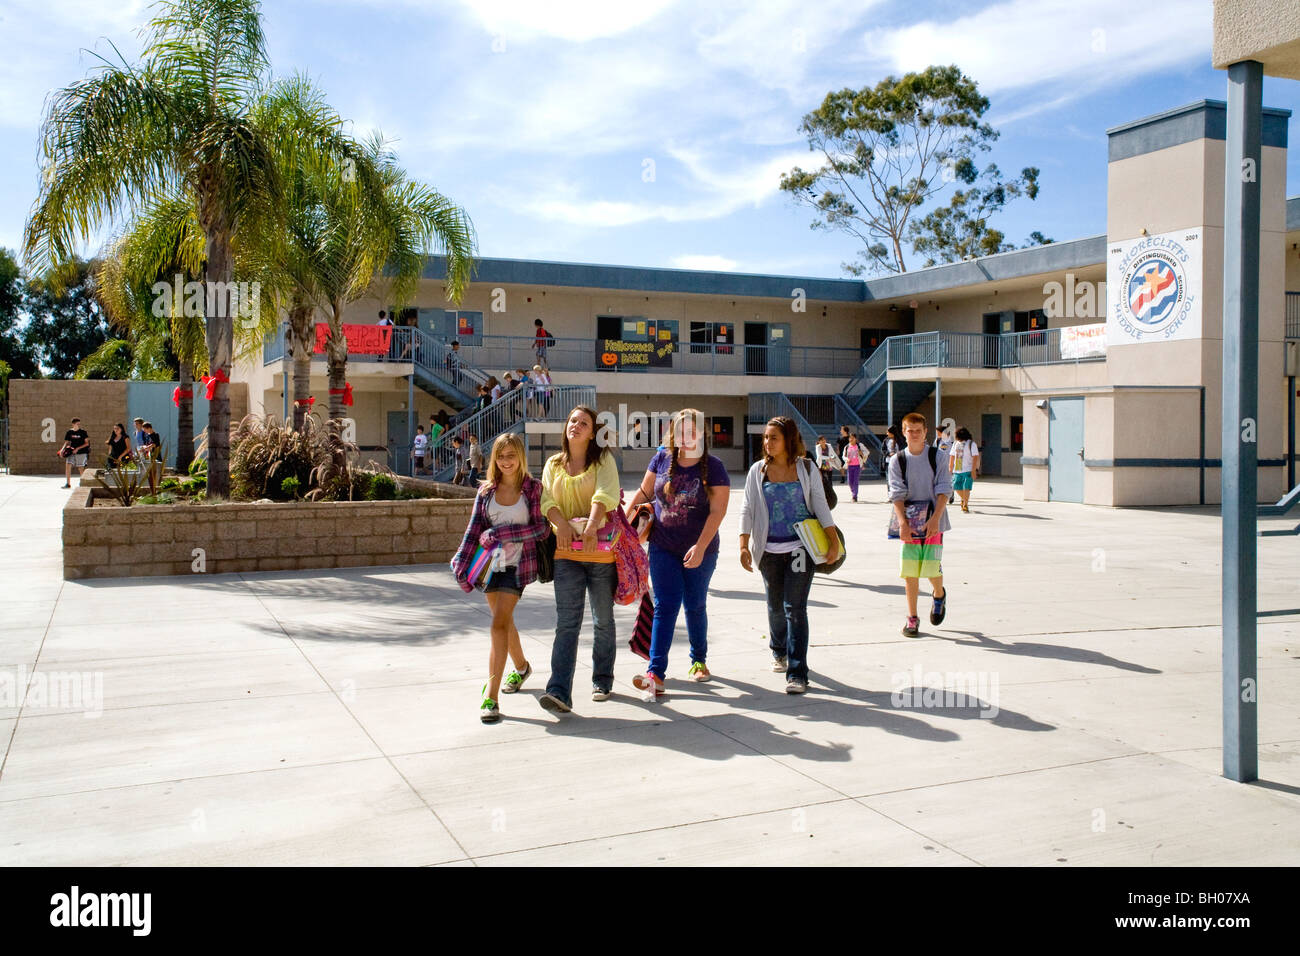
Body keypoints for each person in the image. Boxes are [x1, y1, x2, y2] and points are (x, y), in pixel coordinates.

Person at [624, 408, 730, 697]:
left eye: (692, 431)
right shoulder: (661, 458)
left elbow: (718, 511)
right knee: (666, 604)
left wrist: (701, 546)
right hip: (663, 545)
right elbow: (645, 493)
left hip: (702, 548)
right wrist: (625, 521)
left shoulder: (714, 466)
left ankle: (698, 660)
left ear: (701, 434)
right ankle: (655, 673)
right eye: (681, 431)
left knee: (695, 604)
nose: (686, 437)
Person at [451, 433, 548, 723]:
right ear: (494, 459)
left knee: (497, 624)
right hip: (489, 566)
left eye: (511, 455)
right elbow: (474, 530)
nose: (506, 461)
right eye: (501, 456)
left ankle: (490, 696)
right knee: (504, 624)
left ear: (521, 457)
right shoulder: (485, 492)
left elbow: (541, 530)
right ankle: (521, 667)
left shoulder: (532, 489)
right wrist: (460, 561)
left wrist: (503, 533)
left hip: (517, 566)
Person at [739, 416, 838, 695]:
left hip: (799, 549)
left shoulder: (806, 469)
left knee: (795, 608)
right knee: (775, 607)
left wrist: (832, 543)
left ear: (788, 440)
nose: (768, 443)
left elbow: (820, 505)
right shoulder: (757, 471)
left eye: (774, 438)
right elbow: (747, 508)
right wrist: (744, 544)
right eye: (766, 438)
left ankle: (797, 672)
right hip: (768, 551)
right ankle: (778, 649)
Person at [538, 405, 621, 713]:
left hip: (600, 556)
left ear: (592, 432)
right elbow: (546, 498)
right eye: (572, 420)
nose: (576, 425)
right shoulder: (553, 464)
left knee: (602, 621)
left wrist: (590, 524)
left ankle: (602, 678)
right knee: (567, 623)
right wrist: (559, 523)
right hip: (566, 555)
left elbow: (605, 492)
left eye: (583, 423)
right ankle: (559, 689)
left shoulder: (603, 460)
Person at [889, 412, 952, 638]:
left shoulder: (938, 457)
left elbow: (944, 488)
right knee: (910, 571)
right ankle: (912, 618)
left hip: (934, 522)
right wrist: (902, 523)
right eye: (909, 430)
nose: (914, 434)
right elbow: (896, 493)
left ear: (925, 432)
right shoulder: (898, 460)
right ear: (903, 433)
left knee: (931, 567)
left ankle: (938, 594)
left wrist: (935, 519)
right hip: (910, 524)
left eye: (918, 430)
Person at [950, 426, 981, 514]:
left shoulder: (971, 444)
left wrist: (974, 470)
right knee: (956, 486)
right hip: (957, 470)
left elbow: (975, 457)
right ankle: (964, 499)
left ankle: (965, 505)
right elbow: (952, 456)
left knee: (966, 488)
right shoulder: (955, 443)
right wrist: (950, 467)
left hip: (968, 470)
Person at [60, 417, 90, 487]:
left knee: (80, 467)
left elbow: (87, 443)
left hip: (81, 452)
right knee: (68, 465)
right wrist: (62, 450)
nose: (79, 425)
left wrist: (78, 448)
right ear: (73, 424)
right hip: (71, 451)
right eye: (77, 424)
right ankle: (68, 483)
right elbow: (66, 442)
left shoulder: (83, 432)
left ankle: (83, 483)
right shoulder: (69, 432)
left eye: (79, 424)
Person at [138, 421, 163, 494]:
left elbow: (156, 444)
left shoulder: (156, 435)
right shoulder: (147, 436)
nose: (145, 431)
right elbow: (145, 444)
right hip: (149, 455)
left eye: (145, 429)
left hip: (156, 454)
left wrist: (149, 447)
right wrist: (144, 448)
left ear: (149, 428)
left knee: (157, 470)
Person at [842, 432, 866, 502]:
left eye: (852, 438)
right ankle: (853, 492)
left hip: (857, 466)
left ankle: (854, 496)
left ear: (855, 439)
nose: (851, 439)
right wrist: (847, 459)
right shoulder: (847, 447)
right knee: (850, 482)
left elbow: (866, 453)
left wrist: (861, 453)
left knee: (855, 481)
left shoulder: (859, 446)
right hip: (850, 466)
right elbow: (843, 456)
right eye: (850, 438)